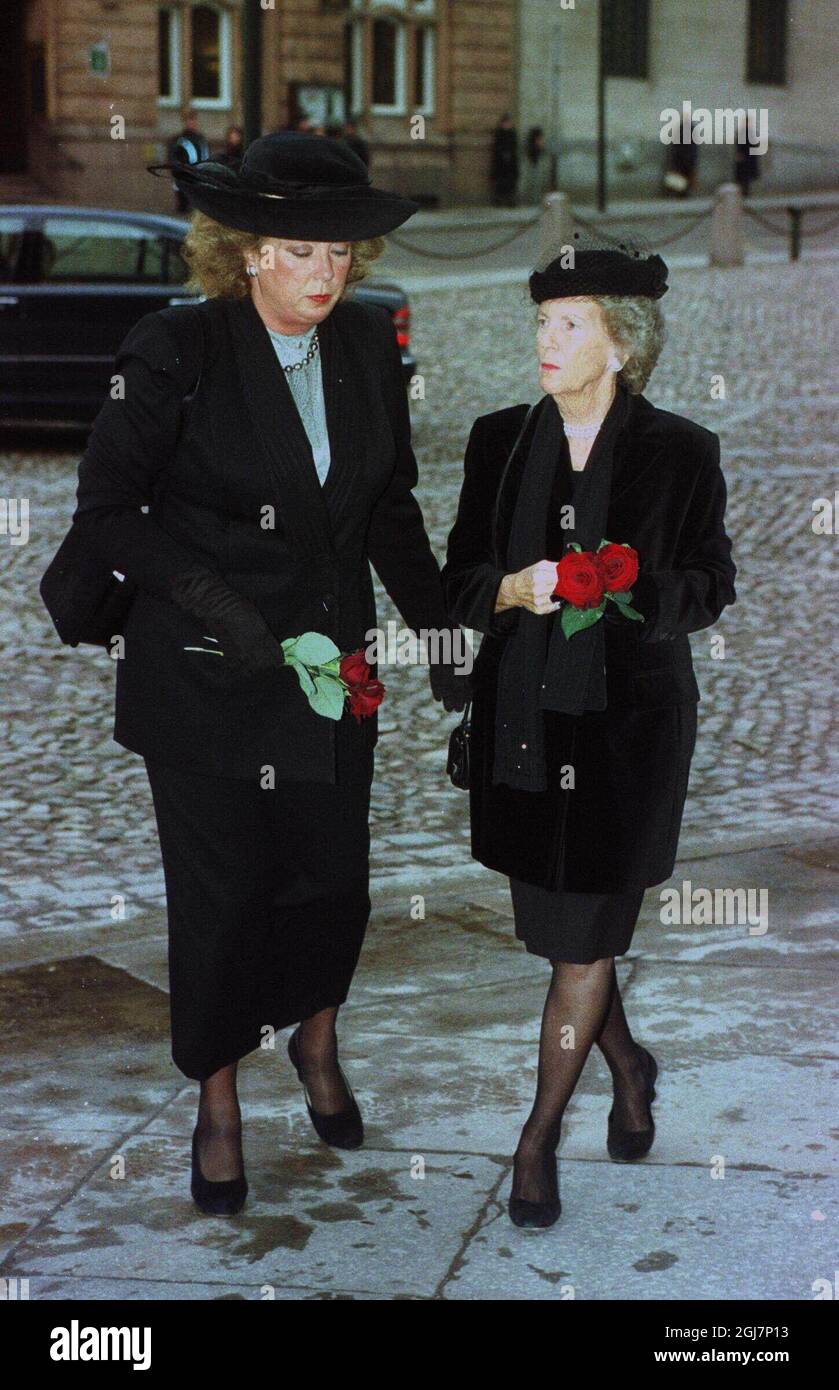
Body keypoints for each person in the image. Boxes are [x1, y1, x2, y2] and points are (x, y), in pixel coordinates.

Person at [70, 132, 466, 1216]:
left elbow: (388, 509)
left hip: (331, 680)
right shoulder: (174, 349)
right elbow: (106, 514)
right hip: (201, 684)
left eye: (340, 252)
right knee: (223, 900)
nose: (324, 275)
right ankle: (219, 1100)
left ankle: (317, 1039)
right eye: (298, 251)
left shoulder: (368, 350)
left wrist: (442, 644)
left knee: (333, 884)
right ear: (244, 252)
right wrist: (219, 604)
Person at [441, 237, 736, 1229]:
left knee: (583, 946)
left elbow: (709, 583)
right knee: (562, 936)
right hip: (524, 730)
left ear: (620, 344)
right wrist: (517, 588)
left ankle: (534, 1140)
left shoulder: (678, 451)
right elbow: (457, 584)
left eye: (568, 324)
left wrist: (635, 588)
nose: (546, 340)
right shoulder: (499, 441)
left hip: (625, 744)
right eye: (539, 322)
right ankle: (628, 1062)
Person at [167, 112, 211, 212]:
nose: (192, 123)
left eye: (194, 121)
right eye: (190, 121)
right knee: (183, 204)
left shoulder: (201, 139)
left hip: (200, 176)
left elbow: (205, 156)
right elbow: (173, 157)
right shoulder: (179, 140)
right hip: (184, 175)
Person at [491, 113, 519, 207]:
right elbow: (496, 147)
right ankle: (499, 201)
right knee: (500, 182)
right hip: (501, 163)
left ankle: (510, 201)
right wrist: (502, 154)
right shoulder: (499, 134)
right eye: (505, 123)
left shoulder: (512, 133)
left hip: (511, 163)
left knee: (511, 183)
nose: (507, 125)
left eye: (508, 123)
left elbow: (514, 146)